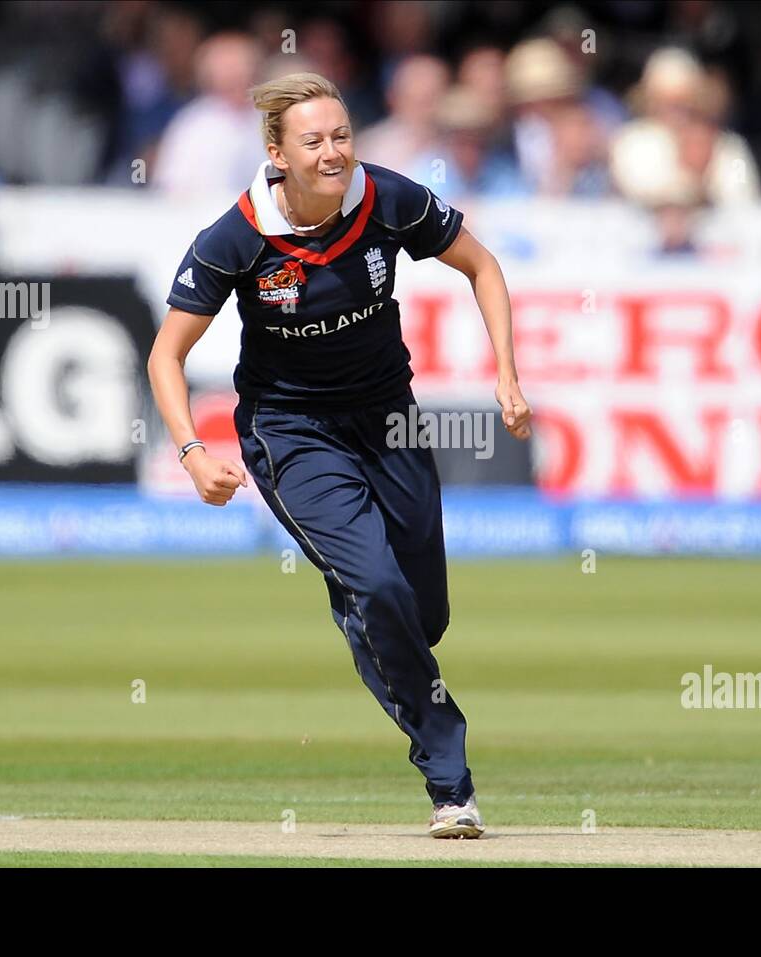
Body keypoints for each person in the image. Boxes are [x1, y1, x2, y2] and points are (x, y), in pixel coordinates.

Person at [146, 72, 532, 839]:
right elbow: (166, 354)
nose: (334, 153)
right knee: (379, 586)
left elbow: (482, 266)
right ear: (277, 153)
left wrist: (508, 375)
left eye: (342, 136)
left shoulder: (389, 197)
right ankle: (450, 783)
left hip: (389, 419)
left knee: (423, 615)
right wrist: (192, 450)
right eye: (314, 141)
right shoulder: (238, 235)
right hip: (290, 432)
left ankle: (365, 613)